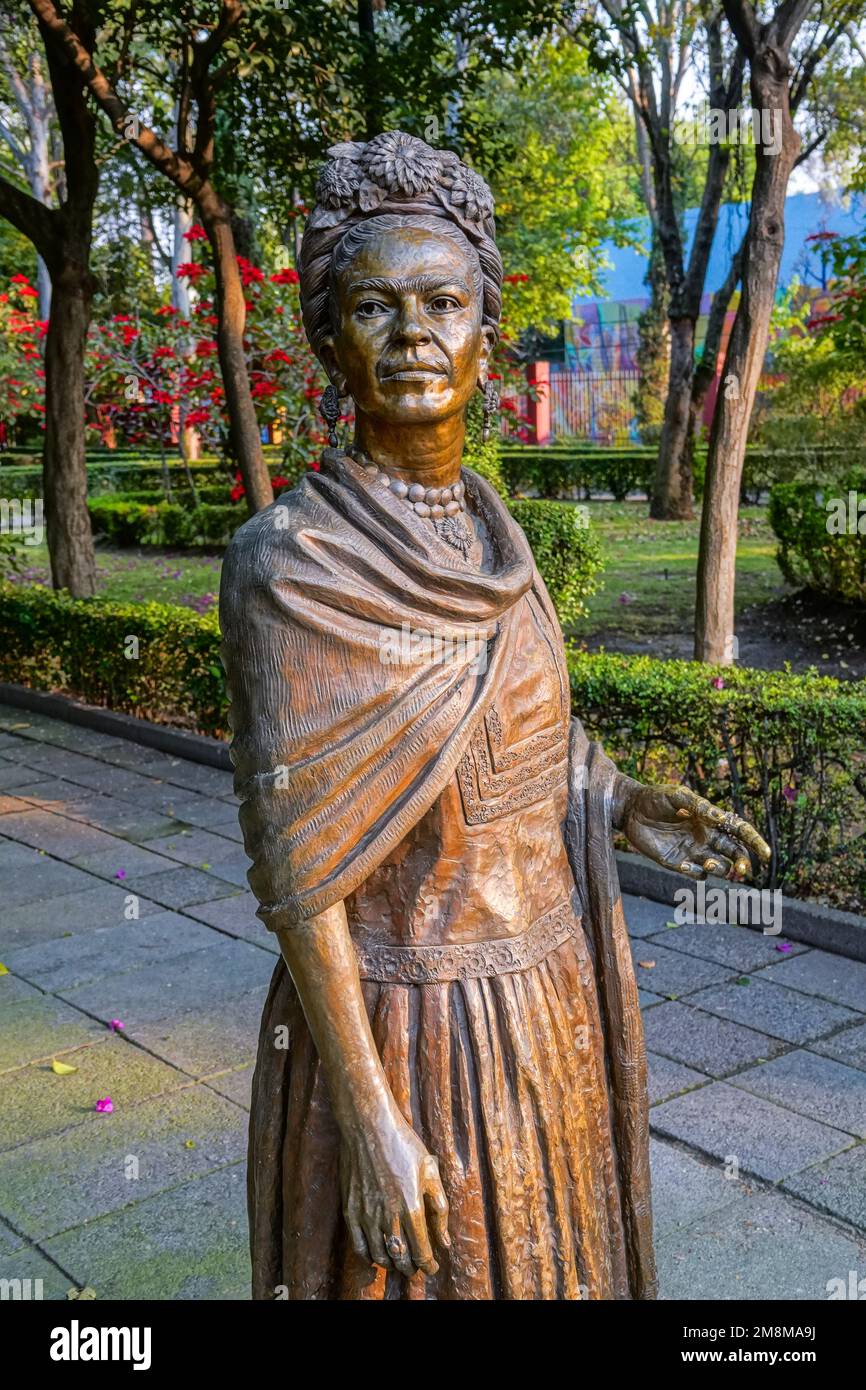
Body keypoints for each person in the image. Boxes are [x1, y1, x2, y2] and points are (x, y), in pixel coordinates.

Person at [220, 131, 770, 1301]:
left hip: (547, 998)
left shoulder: (494, 539)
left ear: (484, 335)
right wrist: (368, 1118)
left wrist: (613, 799)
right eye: (373, 305)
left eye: (442, 302)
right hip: (408, 1023)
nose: (412, 332)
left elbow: (498, 735)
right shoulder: (289, 564)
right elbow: (301, 870)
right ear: (328, 338)